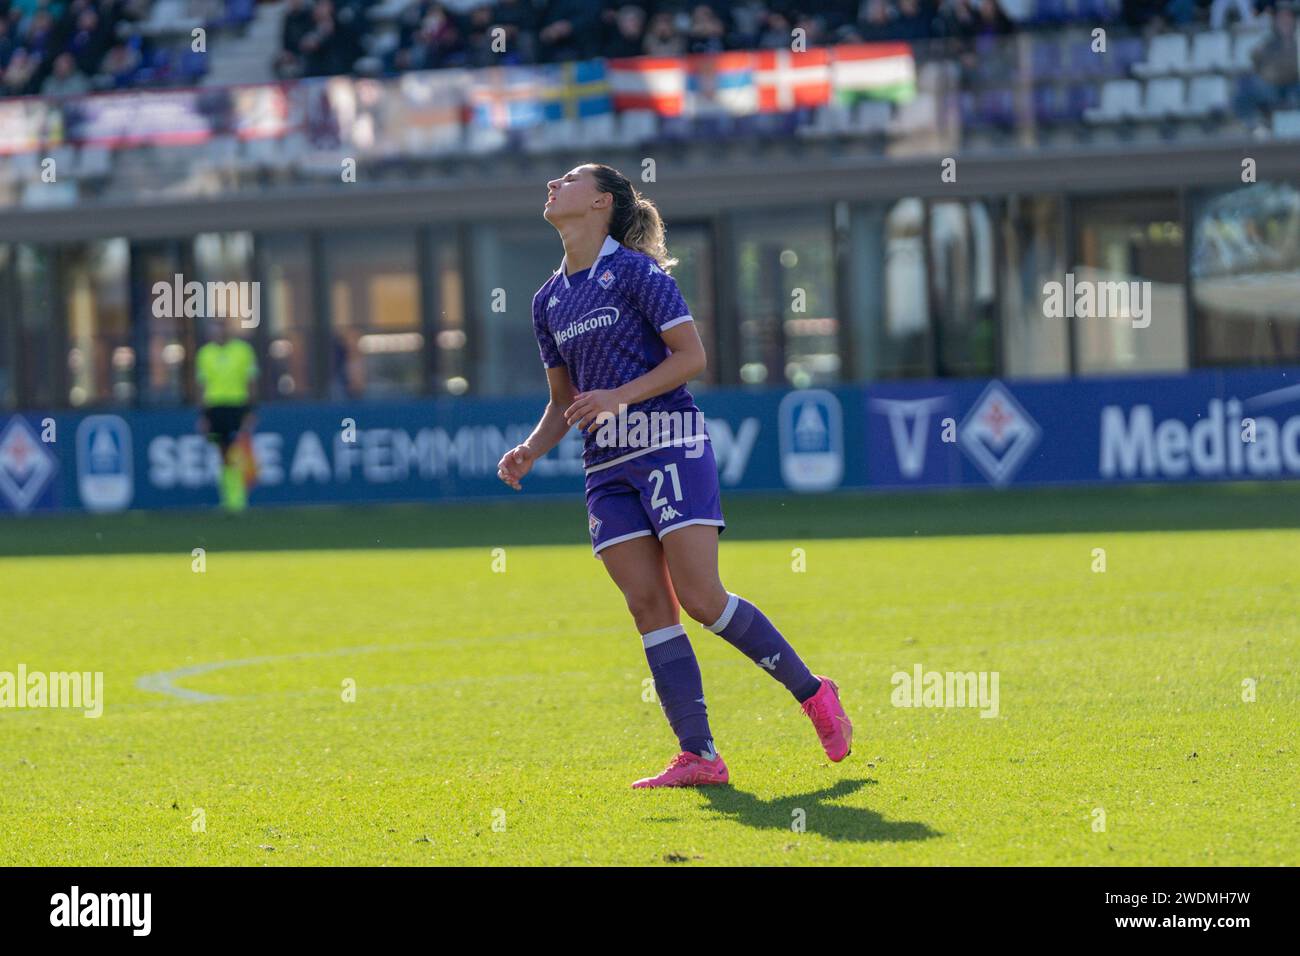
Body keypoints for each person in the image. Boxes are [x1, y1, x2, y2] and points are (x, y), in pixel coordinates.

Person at [497, 163, 853, 789]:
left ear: (601, 202)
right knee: (648, 607)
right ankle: (700, 755)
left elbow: (692, 358)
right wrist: (530, 448)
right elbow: (563, 400)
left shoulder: (636, 272)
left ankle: (813, 692)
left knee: (701, 598)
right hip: (605, 465)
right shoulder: (546, 299)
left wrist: (618, 398)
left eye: (571, 178)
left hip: (668, 441)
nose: (555, 182)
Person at [195, 319, 258, 513]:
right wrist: (203, 416)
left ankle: (238, 498)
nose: (219, 332)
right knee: (222, 452)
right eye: (215, 328)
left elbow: (251, 382)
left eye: (222, 327)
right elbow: (202, 386)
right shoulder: (205, 354)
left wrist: (250, 411)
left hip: (236, 405)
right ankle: (228, 498)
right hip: (215, 407)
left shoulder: (243, 351)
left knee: (236, 449)